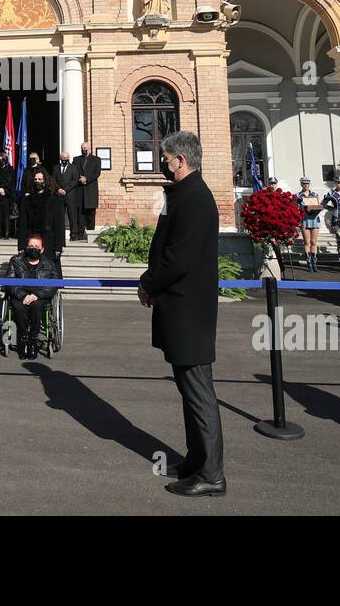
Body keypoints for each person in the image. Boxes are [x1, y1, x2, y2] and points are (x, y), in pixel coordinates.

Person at [138, 131, 225, 498]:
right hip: (180, 308)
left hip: (189, 310)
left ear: (181, 160)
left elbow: (178, 257)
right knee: (189, 391)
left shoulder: (195, 199)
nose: (163, 163)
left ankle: (212, 474)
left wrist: (149, 283)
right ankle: (195, 460)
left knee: (198, 390)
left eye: (167, 157)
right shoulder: (183, 195)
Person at [0, 231, 61, 360]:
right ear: (26, 247)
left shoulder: (49, 264)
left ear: (42, 249)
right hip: (19, 295)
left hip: (39, 297)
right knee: (19, 307)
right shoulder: (16, 261)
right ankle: (23, 339)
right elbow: (9, 281)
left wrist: (37, 295)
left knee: (36, 306)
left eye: (37, 247)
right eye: (31, 246)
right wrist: (22, 295)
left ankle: (32, 341)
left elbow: (53, 284)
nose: (33, 249)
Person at [17, 170, 66, 258]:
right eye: (35, 179)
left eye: (40, 179)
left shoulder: (54, 199)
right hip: (32, 242)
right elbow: (22, 224)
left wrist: (59, 247)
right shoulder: (26, 200)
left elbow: (59, 224)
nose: (37, 182)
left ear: (45, 181)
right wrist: (21, 245)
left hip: (49, 242)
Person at [73, 142, 103, 233]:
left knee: (90, 212)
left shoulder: (96, 159)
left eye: (85, 148)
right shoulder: (76, 159)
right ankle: (81, 233)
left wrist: (87, 179)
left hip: (91, 189)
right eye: (82, 148)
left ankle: (91, 232)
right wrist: (80, 178)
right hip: (80, 189)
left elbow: (97, 173)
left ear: (89, 148)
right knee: (80, 213)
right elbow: (73, 171)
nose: (84, 150)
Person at [54, 152, 83, 240]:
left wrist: (65, 190)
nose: (65, 159)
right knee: (59, 215)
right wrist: (58, 189)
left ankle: (74, 234)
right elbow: (53, 180)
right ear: (60, 158)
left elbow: (75, 180)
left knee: (72, 215)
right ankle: (59, 234)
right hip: (59, 195)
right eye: (63, 158)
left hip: (70, 195)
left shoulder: (74, 167)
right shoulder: (56, 167)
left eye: (67, 158)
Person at [296, 177, 323, 273]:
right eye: (304, 183)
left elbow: (318, 205)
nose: (306, 185)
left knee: (314, 242)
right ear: (301, 184)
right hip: (305, 218)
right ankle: (309, 263)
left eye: (307, 183)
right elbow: (297, 208)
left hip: (314, 218)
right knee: (307, 242)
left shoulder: (314, 194)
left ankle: (314, 262)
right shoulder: (299, 195)